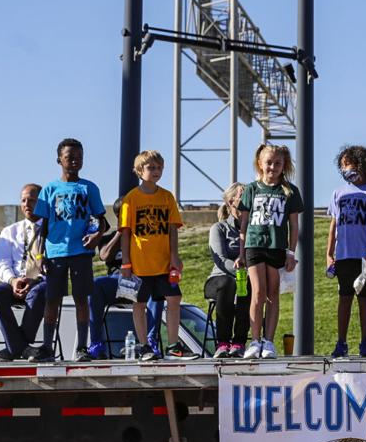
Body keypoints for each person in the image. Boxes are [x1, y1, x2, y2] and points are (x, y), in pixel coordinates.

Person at [34, 138, 109, 362]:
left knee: (81, 299)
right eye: (69, 156)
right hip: (55, 252)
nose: (74, 160)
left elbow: (102, 221)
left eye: (79, 156)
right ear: (59, 159)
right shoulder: (49, 189)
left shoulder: (89, 187)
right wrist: (39, 255)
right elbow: (41, 227)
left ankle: (82, 348)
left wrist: (96, 236)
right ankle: (47, 347)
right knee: (52, 299)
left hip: (81, 252)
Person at [120, 150, 196, 361]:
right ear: (139, 171)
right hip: (140, 264)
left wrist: (175, 257)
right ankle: (144, 346)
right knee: (140, 303)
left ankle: (173, 344)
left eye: (159, 167)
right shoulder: (131, 199)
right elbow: (125, 232)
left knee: (174, 298)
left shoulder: (167, 197)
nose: (156, 171)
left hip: (163, 263)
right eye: (151, 167)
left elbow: (172, 229)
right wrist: (126, 261)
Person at [237, 143, 302, 359]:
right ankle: (254, 341)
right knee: (258, 292)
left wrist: (291, 253)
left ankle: (269, 342)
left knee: (273, 294)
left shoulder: (290, 191)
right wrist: (240, 253)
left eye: (277, 163)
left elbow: (294, 225)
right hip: (254, 245)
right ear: (260, 164)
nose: (272, 167)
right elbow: (244, 224)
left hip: (276, 246)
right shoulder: (251, 189)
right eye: (268, 162)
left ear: (284, 166)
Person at [326, 145, 366, 358]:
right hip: (343, 255)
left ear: (361, 165)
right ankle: (341, 342)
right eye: (342, 166)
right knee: (344, 298)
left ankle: (365, 342)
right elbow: (333, 225)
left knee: (364, 298)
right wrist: (329, 254)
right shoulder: (338, 193)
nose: (346, 170)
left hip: (364, 256)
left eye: (349, 165)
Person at [88, 198, 161, 359]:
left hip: (143, 280)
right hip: (119, 282)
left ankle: (150, 340)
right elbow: (105, 256)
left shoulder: (145, 235)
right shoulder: (110, 238)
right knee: (95, 285)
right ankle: (96, 343)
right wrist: (122, 231)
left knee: (157, 286)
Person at [0, 183, 50, 362]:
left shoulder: (52, 230)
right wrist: (13, 280)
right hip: (15, 282)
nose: (26, 204)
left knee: (41, 292)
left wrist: (36, 280)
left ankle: (14, 348)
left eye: (32, 200)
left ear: (42, 202)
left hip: (40, 283)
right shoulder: (10, 231)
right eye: (23, 200)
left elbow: (55, 265)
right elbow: (2, 263)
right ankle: (23, 348)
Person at [206, 183, 251, 358]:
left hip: (243, 279)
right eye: (244, 197)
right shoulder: (219, 228)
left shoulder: (253, 228)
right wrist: (241, 270)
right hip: (219, 278)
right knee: (228, 284)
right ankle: (223, 342)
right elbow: (221, 260)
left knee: (247, 286)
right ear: (232, 201)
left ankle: (239, 342)